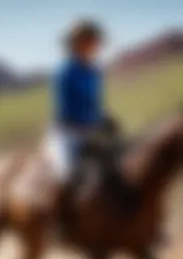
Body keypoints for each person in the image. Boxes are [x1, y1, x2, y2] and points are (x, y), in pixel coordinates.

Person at [44, 19, 132, 212]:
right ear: (77, 44)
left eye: (96, 41)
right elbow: (65, 109)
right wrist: (92, 121)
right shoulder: (65, 71)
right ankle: (58, 222)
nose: (96, 45)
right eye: (91, 40)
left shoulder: (95, 71)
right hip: (68, 134)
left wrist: (104, 116)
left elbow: (94, 104)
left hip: (92, 131)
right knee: (65, 176)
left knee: (125, 164)